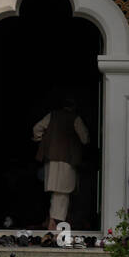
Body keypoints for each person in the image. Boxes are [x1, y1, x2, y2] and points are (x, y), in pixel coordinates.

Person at [32, 95, 89, 230]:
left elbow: (36, 129)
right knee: (63, 193)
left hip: (51, 160)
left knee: (57, 194)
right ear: (73, 106)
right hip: (67, 161)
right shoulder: (75, 118)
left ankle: (53, 221)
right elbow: (85, 138)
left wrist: (41, 140)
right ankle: (57, 224)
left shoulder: (51, 116)